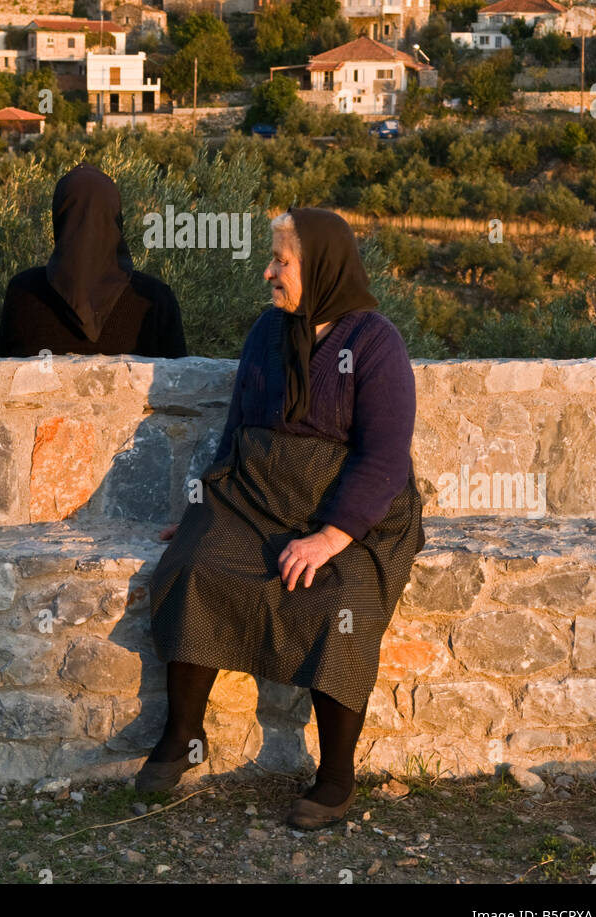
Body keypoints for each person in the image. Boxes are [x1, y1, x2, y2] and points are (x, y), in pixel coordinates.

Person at [142, 206, 424, 829]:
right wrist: (201, 504)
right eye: (271, 259)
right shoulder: (268, 331)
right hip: (256, 493)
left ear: (318, 266)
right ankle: (183, 735)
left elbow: (383, 456)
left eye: (282, 262)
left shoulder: (374, 344)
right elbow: (238, 428)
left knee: (340, 604)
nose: (269, 273)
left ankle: (336, 775)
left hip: (352, 509)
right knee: (193, 564)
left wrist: (330, 536)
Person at [0, 162, 187, 358]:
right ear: (116, 218)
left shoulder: (23, 293)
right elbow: (183, 378)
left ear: (60, 217)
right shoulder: (154, 299)